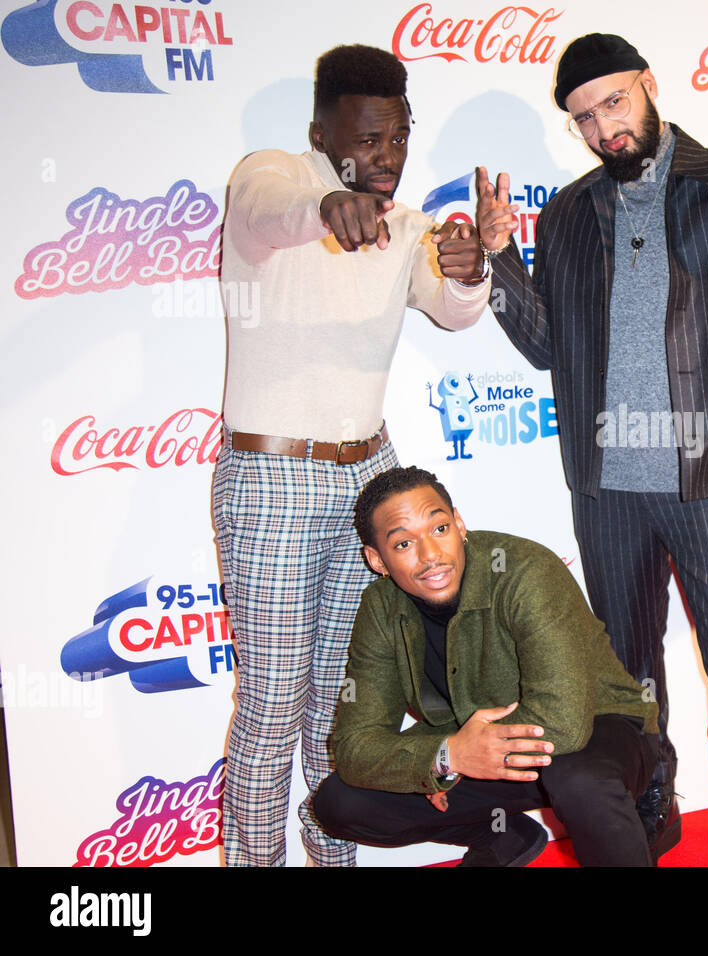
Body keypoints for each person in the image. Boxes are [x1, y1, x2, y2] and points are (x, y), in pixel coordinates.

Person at [476, 33, 708, 866]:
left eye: (616, 103)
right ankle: (652, 820)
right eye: (585, 118)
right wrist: (499, 260)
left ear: (650, 86)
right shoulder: (564, 214)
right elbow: (548, 345)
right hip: (609, 489)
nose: (605, 129)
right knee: (628, 686)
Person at [213, 44, 490, 866]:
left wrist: (471, 273)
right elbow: (269, 206)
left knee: (343, 710)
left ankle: (336, 858)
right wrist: (327, 205)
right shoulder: (271, 179)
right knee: (269, 708)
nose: (386, 158)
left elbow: (455, 308)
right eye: (367, 139)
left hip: (372, 481)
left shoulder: (409, 227)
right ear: (318, 131)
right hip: (273, 480)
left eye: (398, 138)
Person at [313, 466, 660, 866]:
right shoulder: (379, 609)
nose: (431, 556)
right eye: (404, 544)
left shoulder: (523, 571)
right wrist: (442, 758)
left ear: (459, 523)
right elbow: (354, 746)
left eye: (439, 529)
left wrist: (456, 756)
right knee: (341, 803)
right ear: (377, 560)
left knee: (578, 780)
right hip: (481, 752)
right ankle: (504, 836)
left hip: (600, 725)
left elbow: (564, 722)